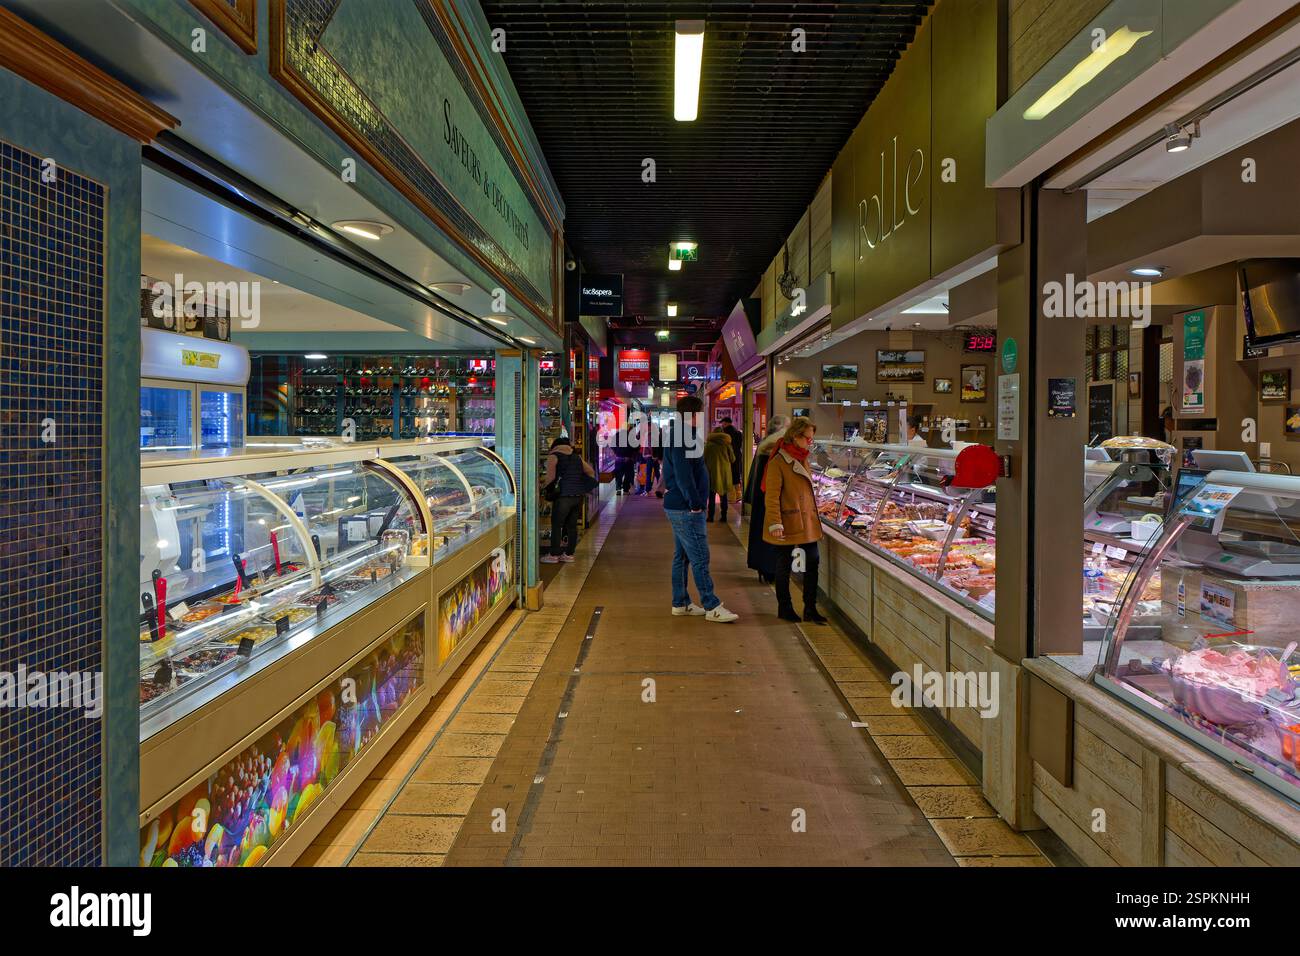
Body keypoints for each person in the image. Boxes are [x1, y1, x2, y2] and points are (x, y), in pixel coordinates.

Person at [662, 395, 739, 622]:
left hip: (680, 505)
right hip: (686, 508)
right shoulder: (682, 436)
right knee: (700, 557)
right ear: (693, 414)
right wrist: (695, 503)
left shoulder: (680, 434)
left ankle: (681, 603)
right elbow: (684, 473)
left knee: (683, 557)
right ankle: (711, 605)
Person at [762, 417, 827, 624]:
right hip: (787, 521)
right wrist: (775, 523)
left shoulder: (803, 458)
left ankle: (810, 608)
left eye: (811, 439)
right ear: (795, 436)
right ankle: (785, 607)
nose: (810, 442)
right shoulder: (778, 462)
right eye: (807, 438)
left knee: (813, 562)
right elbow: (771, 497)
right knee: (784, 565)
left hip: (806, 520)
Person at [746, 415, 787, 584]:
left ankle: (762, 567)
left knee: (760, 533)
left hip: (760, 496)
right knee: (772, 536)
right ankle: (770, 569)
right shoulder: (777, 447)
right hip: (770, 497)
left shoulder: (764, 445)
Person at [541, 436, 594, 564]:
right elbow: (590, 471)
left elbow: (551, 477)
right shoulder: (576, 457)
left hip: (563, 496)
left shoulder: (554, 456)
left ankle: (554, 554)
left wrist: (542, 487)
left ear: (555, 445)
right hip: (577, 496)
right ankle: (569, 554)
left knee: (557, 525)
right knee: (572, 526)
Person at [703, 426, 735, 522]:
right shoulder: (727, 445)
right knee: (723, 496)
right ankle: (724, 517)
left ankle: (710, 517)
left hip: (711, 473)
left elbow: (703, 460)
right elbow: (733, 459)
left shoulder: (708, 445)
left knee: (711, 496)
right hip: (724, 473)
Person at [721, 416, 744, 502]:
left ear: (726, 423)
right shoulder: (738, 432)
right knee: (736, 475)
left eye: (723, 423)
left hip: (727, 457)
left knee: (729, 476)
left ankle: (731, 497)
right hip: (737, 456)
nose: (722, 425)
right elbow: (739, 445)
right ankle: (738, 495)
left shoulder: (725, 433)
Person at [612, 423, 639, 495]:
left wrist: (616, 452)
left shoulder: (616, 435)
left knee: (618, 474)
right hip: (628, 458)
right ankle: (626, 490)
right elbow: (636, 446)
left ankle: (618, 489)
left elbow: (612, 445)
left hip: (619, 458)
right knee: (628, 474)